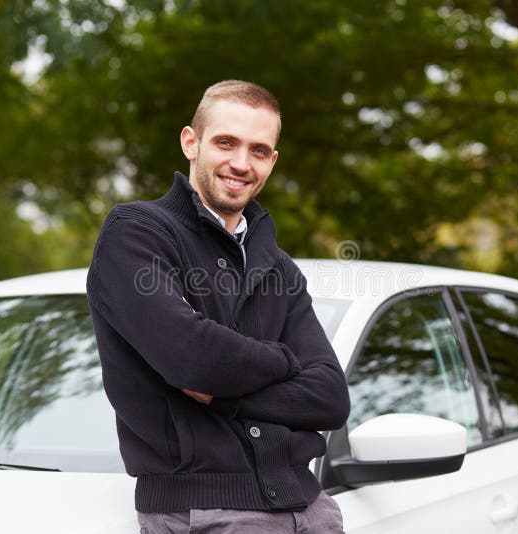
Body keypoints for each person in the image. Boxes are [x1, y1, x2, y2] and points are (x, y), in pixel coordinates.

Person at [86, 80, 350, 533]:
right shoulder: (137, 234)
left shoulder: (278, 266)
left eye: (259, 150)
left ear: (272, 161)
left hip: (313, 511)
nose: (241, 163)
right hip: (204, 516)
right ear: (191, 142)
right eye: (226, 142)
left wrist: (226, 393)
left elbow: (330, 397)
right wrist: (286, 361)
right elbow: (195, 358)